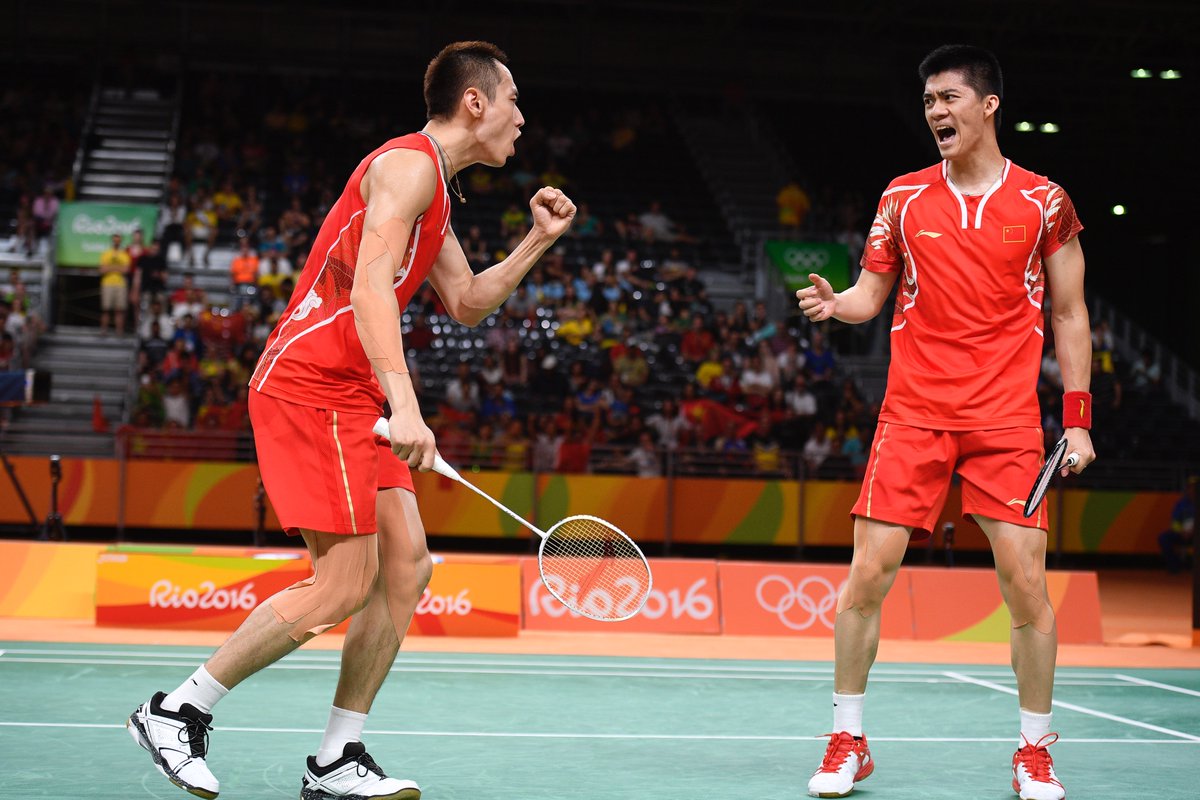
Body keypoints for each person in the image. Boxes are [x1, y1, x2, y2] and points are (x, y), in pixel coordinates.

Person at [127, 41, 575, 800]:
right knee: (342, 583)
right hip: (312, 384)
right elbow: (370, 287)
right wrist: (407, 404)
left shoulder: (437, 195)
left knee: (406, 567)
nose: (522, 119)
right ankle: (177, 710)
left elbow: (465, 302)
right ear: (475, 102)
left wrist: (537, 241)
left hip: (355, 393)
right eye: (513, 100)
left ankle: (337, 757)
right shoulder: (405, 167)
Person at [796, 45, 1095, 800]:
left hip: (1005, 420)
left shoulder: (1044, 203)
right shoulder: (901, 198)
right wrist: (838, 306)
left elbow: (1070, 313)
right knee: (867, 575)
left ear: (988, 104)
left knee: (1026, 587)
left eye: (949, 97)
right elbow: (871, 294)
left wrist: (1078, 421)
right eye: (928, 100)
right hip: (916, 413)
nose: (936, 111)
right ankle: (847, 738)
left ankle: (1033, 752)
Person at [1158, 478, 1197, 574]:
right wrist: (1181, 531)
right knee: (1164, 538)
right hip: (1182, 533)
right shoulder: (1181, 503)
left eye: (1195, 488)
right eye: (1191, 487)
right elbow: (1175, 521)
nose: (1193, 490)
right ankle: (1175, 566)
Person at [99, 233, 131, 334]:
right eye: (115, 240)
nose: (116, 242)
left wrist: (111, 267)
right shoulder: (106, 253)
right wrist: (118, 268)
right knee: (106, 309)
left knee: (119, 310)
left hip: (120, 284)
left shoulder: (125, 255)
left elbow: (126, 270)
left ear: (121, 241)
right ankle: (104, 330)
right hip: (107, 283)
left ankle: (119, 332)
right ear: (112, 241)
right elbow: (102, 270)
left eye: (118, 240)